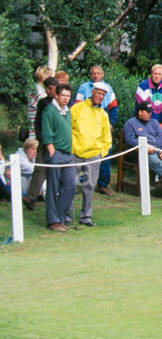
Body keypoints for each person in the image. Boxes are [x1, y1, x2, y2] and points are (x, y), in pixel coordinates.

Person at [124, 101, 162, 199]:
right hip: (141, 151)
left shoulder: (154, 122)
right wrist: (144, 145)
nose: (150, 114)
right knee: (157, 163)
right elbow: (130, 140)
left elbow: (161, 137)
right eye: (147, 112)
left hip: (157, 149)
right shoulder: (130, 123)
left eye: (150, 111)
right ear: (140, 112)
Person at [69, 83, 112, 227]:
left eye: (103, 95)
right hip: (75, 153)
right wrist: (69, 148)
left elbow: (107, 138)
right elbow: (67, 128)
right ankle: (67, 215)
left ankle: (86, 216)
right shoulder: (77, 108)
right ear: (92, 92)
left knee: (89, 186)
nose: (100, 97)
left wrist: (101, 154)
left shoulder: (103, 114)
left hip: (93, 155)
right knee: (70, 185)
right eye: (98, 93)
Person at [75, 64, 119, 194]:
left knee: (105, 151)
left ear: (103, 74)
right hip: (87, 121)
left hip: (103, 118)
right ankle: (82, 182)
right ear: (90, 74)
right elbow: (77, 106)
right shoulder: (83, 87)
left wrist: (111, 123)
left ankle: (103, 183)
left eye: (98, 73)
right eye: (93, 73)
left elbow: (114, 108)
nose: (96, 75)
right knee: (85, 151)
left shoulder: (108, 88)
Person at [40, 83, 76, 232]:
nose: (66, 98)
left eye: (68, 96)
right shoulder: (49, 110)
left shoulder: (67, 111)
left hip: (67, 154)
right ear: (56, 95)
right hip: (55, 153)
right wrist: (52, 153)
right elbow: (47, 134)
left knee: (70, 186)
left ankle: (61, 218)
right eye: (63, 95)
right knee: (53, 187)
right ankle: (53, 220)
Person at [26, 75, 58, 210]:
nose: (49, 91)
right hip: (44, 141)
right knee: (39, 169)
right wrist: (40, 137)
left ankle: (54, 200)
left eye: (52, 88)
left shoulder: (61, 103)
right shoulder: (43, 103)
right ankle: (31, 197)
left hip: (57, 143)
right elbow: (37, 122)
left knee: (55, 172)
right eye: (48, 88)